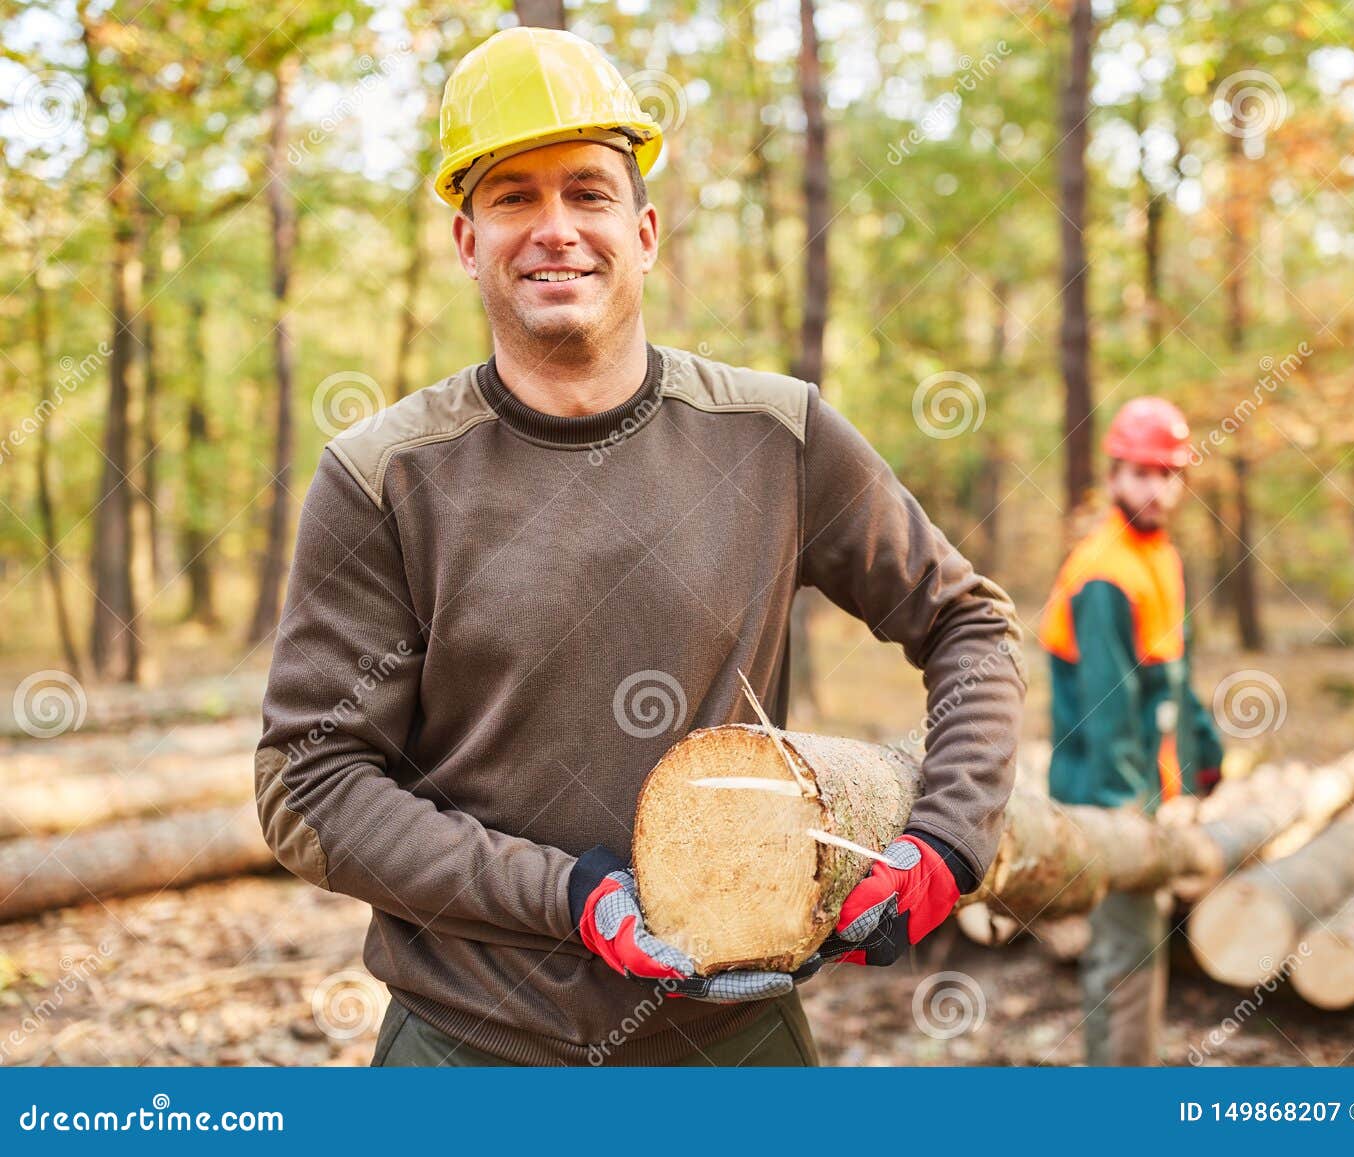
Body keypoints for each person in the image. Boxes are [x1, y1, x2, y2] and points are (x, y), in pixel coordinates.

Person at [253, 27, 1027, 1067]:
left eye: (586, 190)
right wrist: (571, 896)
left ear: (646, 230)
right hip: (468, 1043)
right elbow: (309, 781)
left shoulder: (774, 438)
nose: (554, 227)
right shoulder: (384, 474)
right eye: (512, 196)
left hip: (731, 1040)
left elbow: (966, 619)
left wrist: (948, 837)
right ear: (466, 240)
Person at [1037, 397, 1224, 1065]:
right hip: (1108, 793)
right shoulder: (1102, 572)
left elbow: (1172, 673)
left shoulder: (1160, 559)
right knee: (1124, 958)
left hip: (1149, 791)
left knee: (1140, 953)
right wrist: (1127, 815)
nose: (1157, 488)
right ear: (1115, 475)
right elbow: (1107, 707)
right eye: (1142, 472)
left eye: (1169, 473)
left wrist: (1204, 756)